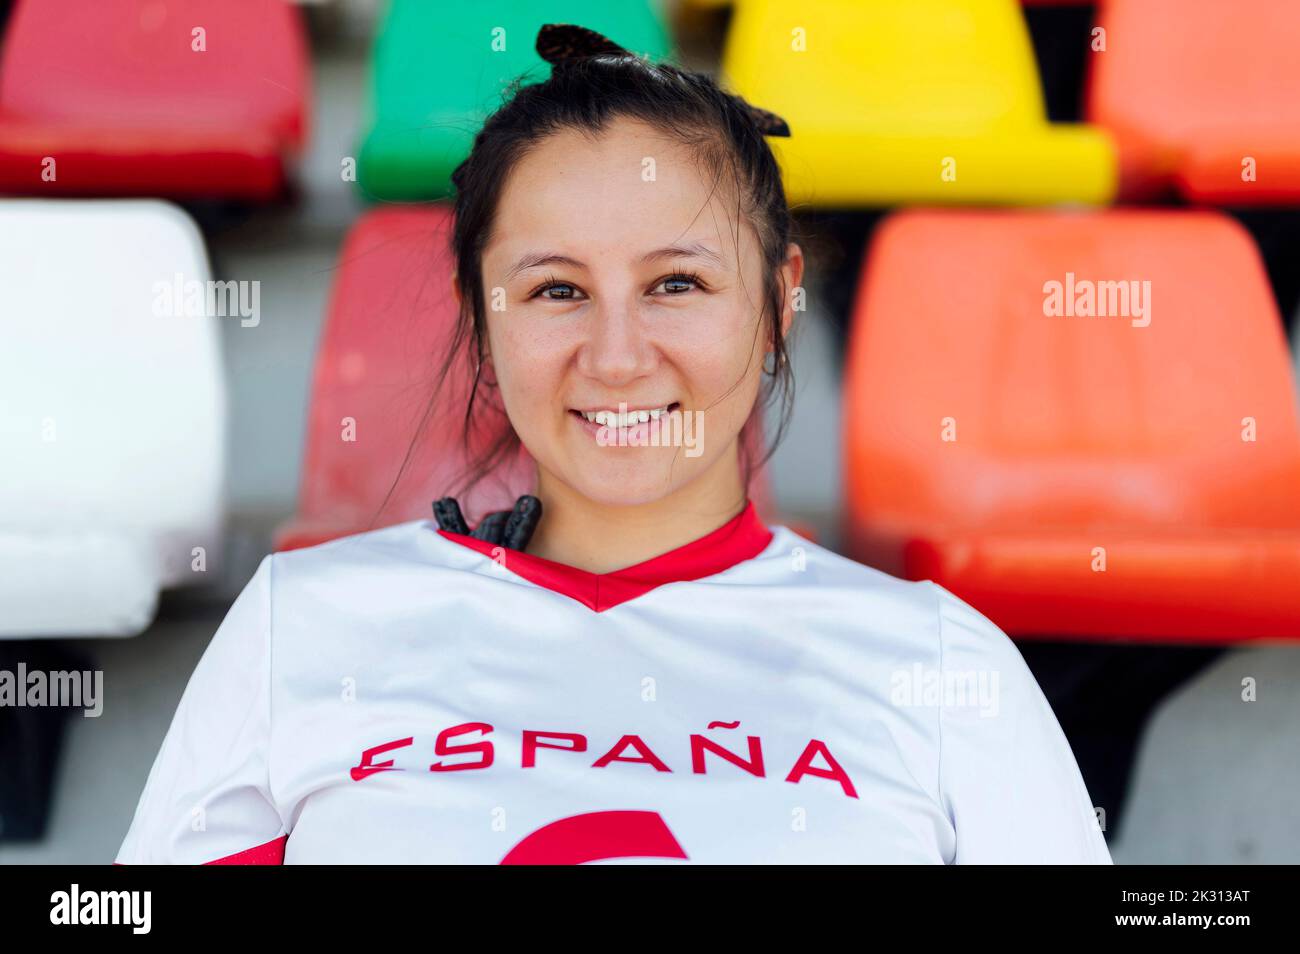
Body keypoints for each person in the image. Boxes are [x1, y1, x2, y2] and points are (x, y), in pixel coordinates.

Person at [116, 23, 1109, 865]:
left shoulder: (938, 662)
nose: (618, 355)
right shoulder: (305, 625)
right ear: (481, 311)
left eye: (677, 284)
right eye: (557, 290)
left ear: (777, 300)